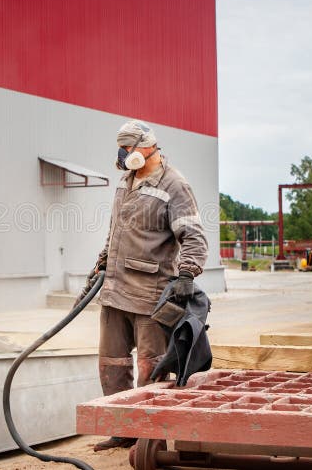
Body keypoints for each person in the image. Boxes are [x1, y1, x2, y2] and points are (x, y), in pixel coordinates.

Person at [79, 120, 208, 452]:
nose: (123, 155)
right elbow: (117, 230)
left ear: (148, 147)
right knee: (111, 363)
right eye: (121, 148)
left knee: (151, 366)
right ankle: (123, 431)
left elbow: (193, 236)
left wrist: (186, 274)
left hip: (150, 293)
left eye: (128, 147)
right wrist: (103, 260)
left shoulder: (174, 184)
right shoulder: (126, 181)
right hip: (115, 288)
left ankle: (150, 438)